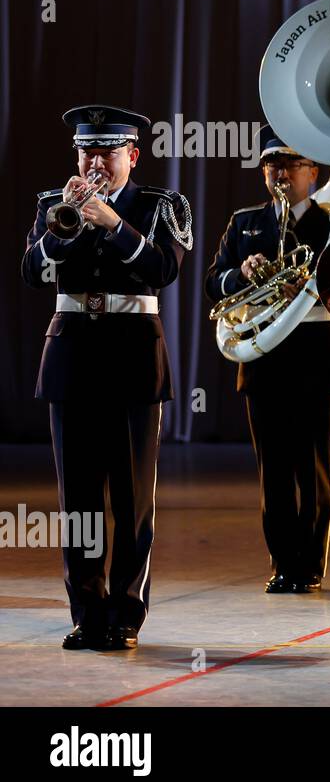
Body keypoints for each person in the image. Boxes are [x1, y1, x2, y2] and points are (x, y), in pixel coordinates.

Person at [20, 105, 192, 651]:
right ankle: (87, 612)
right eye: (86, 151)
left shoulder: (159, 205)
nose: (94, 161)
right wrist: (66, 225)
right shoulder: (53, 204)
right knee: (79, 501)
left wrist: (114, 225)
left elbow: (163, 270)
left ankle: (125, 613)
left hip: (133, 356)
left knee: (131, 499)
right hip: (72, 353)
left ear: (131, 156)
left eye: (107, 152)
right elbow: (32, 272)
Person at [204, 125, 330, 595]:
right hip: (264, 357)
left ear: (314, 171)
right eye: (272, 165)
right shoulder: (246, 221)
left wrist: (307, 288)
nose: (279, 174)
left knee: (313, 468)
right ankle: (283, 563)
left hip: (314, 352)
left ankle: (310, 564)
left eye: (290, 165)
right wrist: (241, 275)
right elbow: (213, 280)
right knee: (274, 469)